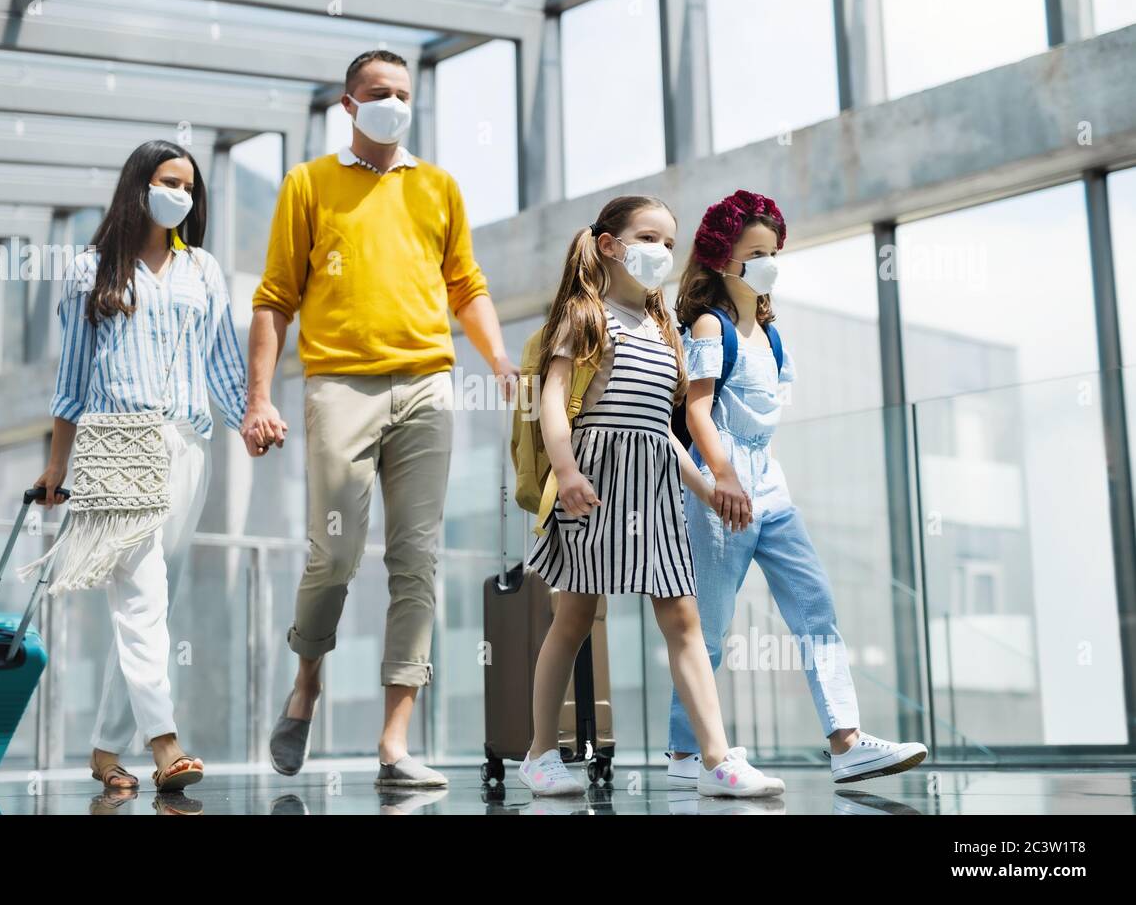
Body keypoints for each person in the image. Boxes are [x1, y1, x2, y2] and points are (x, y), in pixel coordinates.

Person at [243, 50, 518, 788]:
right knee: (333, 554)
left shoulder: (438, 187)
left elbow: (467, 285)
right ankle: (308, 679)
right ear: (349, 104)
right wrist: (260, 397)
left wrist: (499, 360)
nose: (393, 102)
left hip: (428, 384)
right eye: (378, 93)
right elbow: (274, 297)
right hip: (339, 385)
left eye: (403, 93)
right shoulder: (309, 184)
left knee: (417, 558)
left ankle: (394, 742)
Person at [519, 194, 784, 799]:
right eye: (647, 239)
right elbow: (554, 401)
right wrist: (567, 471)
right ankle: (540, 754)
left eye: (669, 242)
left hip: (654, 487)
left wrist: (710, 485)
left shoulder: (665, 326)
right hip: (592, 478)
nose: (661, 252)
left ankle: (716, 759)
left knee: (683, 617)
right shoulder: (583, 316)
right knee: (574, 617)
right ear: (609, 245)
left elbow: (661, 431)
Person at [666, 189, 928, 784]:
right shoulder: (710, 324)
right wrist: (722, 477)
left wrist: (752, 474)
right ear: (720, 257)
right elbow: (699, 413)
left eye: (772, 250)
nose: (768, 263)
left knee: (815, 606)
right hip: (719, 485)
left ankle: (847, 741)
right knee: (707, 627)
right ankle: (686, 753)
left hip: (769, 485)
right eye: (755, 251)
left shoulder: (768, 331)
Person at [31, 139, 259, 793]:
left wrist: (250, 418)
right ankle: (165, 743)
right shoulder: (91, 269)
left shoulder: (203, 271)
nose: (180, 195)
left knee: (153, 608)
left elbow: (221, 362)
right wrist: (57, 465)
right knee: (141, 600)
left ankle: (106, 749)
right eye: (168, 181)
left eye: (189, 186)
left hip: (188, 446)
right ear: (139, 186)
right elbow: (71, 378)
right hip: (114, 446)